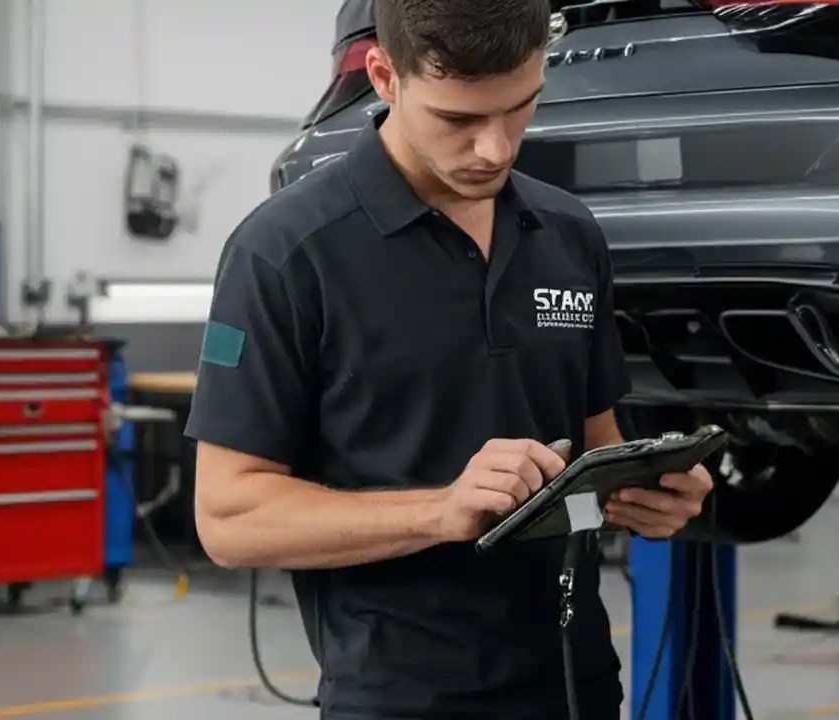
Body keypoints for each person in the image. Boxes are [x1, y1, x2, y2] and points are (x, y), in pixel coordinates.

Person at [184, 0, 714, 717]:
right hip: (405, 697)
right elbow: (227, 517)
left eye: (519, 108)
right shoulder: (284, 255)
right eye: (458, 120)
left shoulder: (568, 233)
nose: (495, 149)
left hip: (575, 681)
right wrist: (440, 511)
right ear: (384, 76)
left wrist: (642, 495)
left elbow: (596, 448)